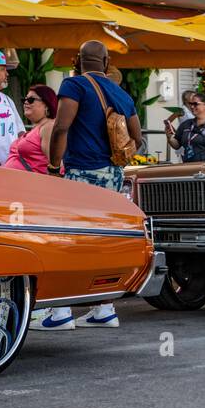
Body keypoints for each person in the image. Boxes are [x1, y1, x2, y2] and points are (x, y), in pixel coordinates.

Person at [38, 39, 143, 331]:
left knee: (69, 241)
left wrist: (52, 166)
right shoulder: (120, 93)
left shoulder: (75, 86)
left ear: (77, 60)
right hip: (113, 175)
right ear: (107, 62)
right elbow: (137, 137)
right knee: (101, 241)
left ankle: (60, 313)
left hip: (82, 173)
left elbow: (61, 127)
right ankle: (104, 309)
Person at [4, 84, 58, 174]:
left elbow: (55, 165)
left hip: (33, 185)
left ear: (47, 105)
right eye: (24, 100)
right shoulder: (36, 129)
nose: (26, 102)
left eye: (31, 100)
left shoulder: (48, 127)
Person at [168, 91, 205, 164]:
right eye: (190, 104)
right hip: (189, 168)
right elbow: (177, 145)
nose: (192, 106)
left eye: (195, 104)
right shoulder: (185, 124)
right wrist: (169, 137)